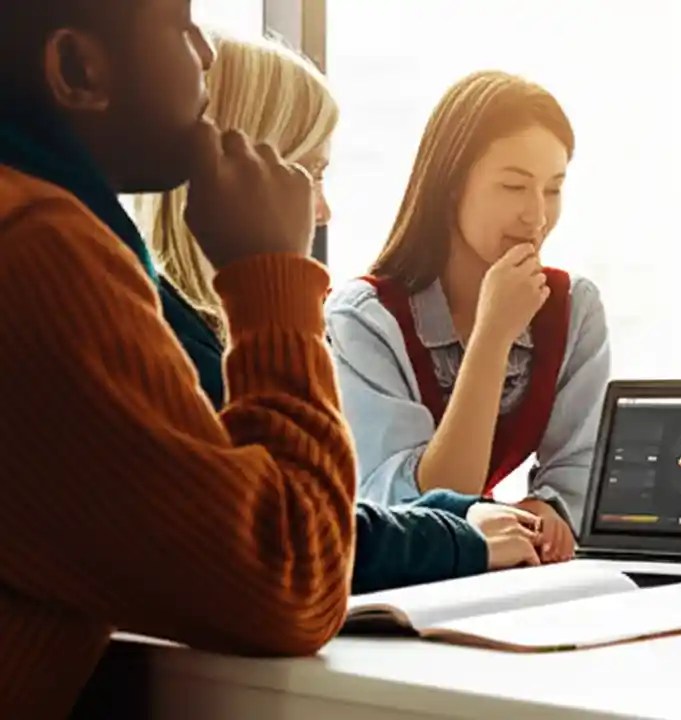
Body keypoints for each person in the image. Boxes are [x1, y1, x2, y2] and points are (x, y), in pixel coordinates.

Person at [0, 1, 355, 715]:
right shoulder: (38, 247)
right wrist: (268, 277)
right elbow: (288, 580)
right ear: (77, 69)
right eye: (181, 27)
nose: (207, 54)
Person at [134, 34, 545, 594]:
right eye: (307, 172)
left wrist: (453, 518)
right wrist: (456, 538)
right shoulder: (165, 350)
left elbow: (326, 508)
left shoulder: (209, 333)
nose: (321, 209)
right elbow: (295, 542)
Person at [326, 71, 611, 563]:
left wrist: (547, 509)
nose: (537, 217)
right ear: (452, 185)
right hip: (393, 576)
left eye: (553, 190)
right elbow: (423, 510)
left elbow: (584, 471)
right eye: (513, 186)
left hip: (496, 576)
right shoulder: (364, 321)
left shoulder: (573, 307)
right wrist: (493, 335)